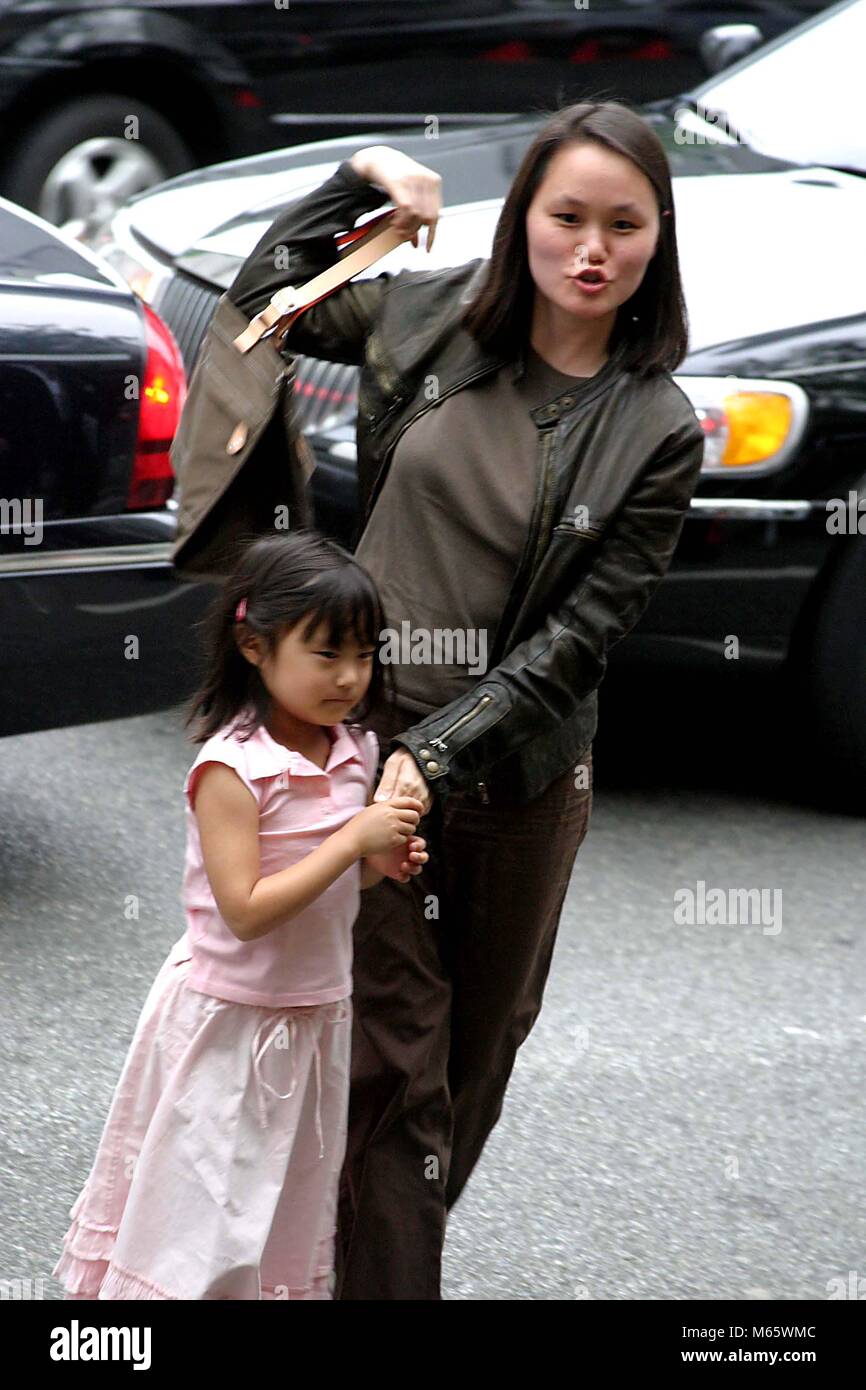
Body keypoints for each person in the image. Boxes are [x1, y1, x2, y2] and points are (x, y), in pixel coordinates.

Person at [226, 98, 708, 1300]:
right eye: (565, 217)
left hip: (515, 785)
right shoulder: (426, 320)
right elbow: (261, 296)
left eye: (622, 224)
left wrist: (437, 757)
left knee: (466, 1078)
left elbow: (575, 643)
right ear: (521, 221)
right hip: (371, 763)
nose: (591, 249)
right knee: (398, 1076)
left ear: (656, 239)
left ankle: (351, 1267)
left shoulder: (655, 428)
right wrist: (361, 177)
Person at [51, 530, 428, 1300]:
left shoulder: (355, 750)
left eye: (364, 654)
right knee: (201, 1227)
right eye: (326, 655)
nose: (351, 677)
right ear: (254, 646)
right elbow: (248, 911)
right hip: (229, 1026)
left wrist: (377, 864)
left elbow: (335, 883)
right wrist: (353, 838)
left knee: (277, 1218)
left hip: (315, 1017)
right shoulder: (232, 767)